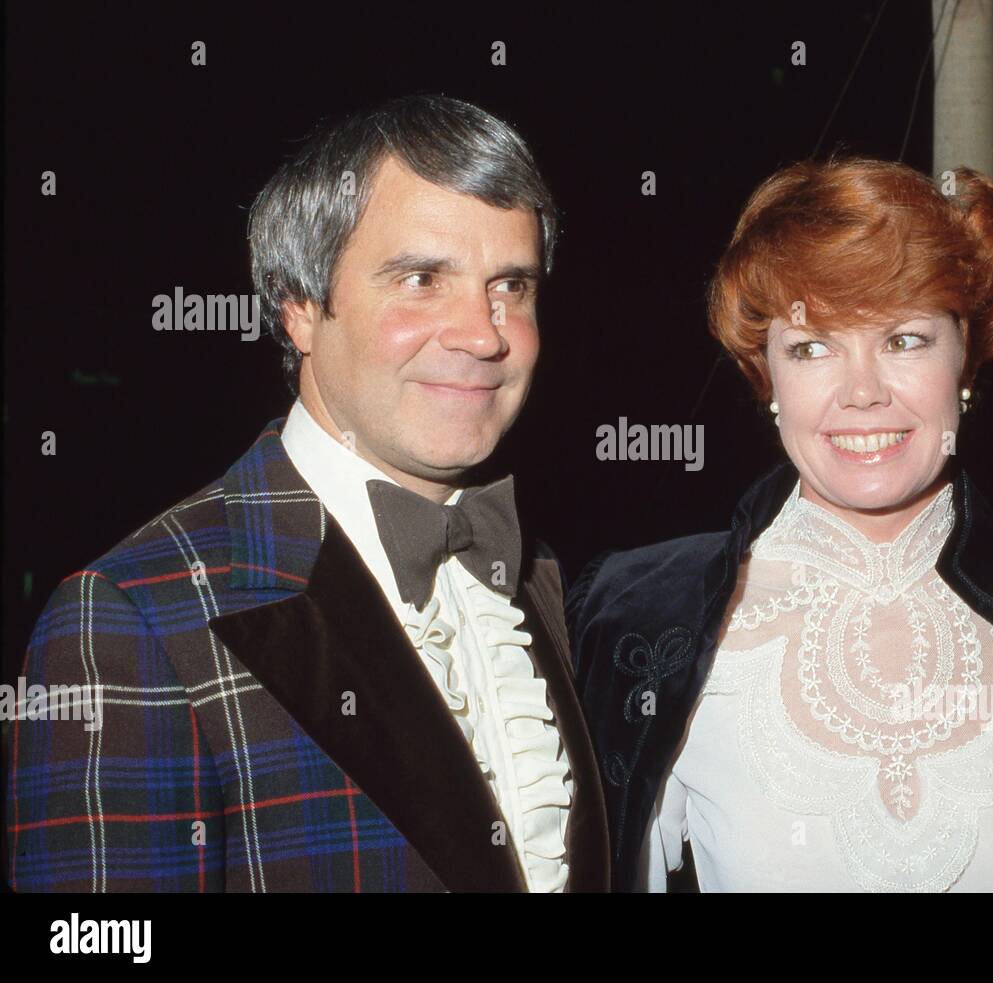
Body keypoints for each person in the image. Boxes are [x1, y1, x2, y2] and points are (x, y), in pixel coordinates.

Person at [565, 156, 993, 892]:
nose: (861, 392)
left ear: (968, 357)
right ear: (767, 377)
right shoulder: (640, 619)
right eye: (813, 346)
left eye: (904, 340)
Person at [6, 94, 608, 892]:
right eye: (422, 278)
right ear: (298, 308)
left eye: (511, 285)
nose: (483, 332)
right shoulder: (130, 616)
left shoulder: (538, 575)